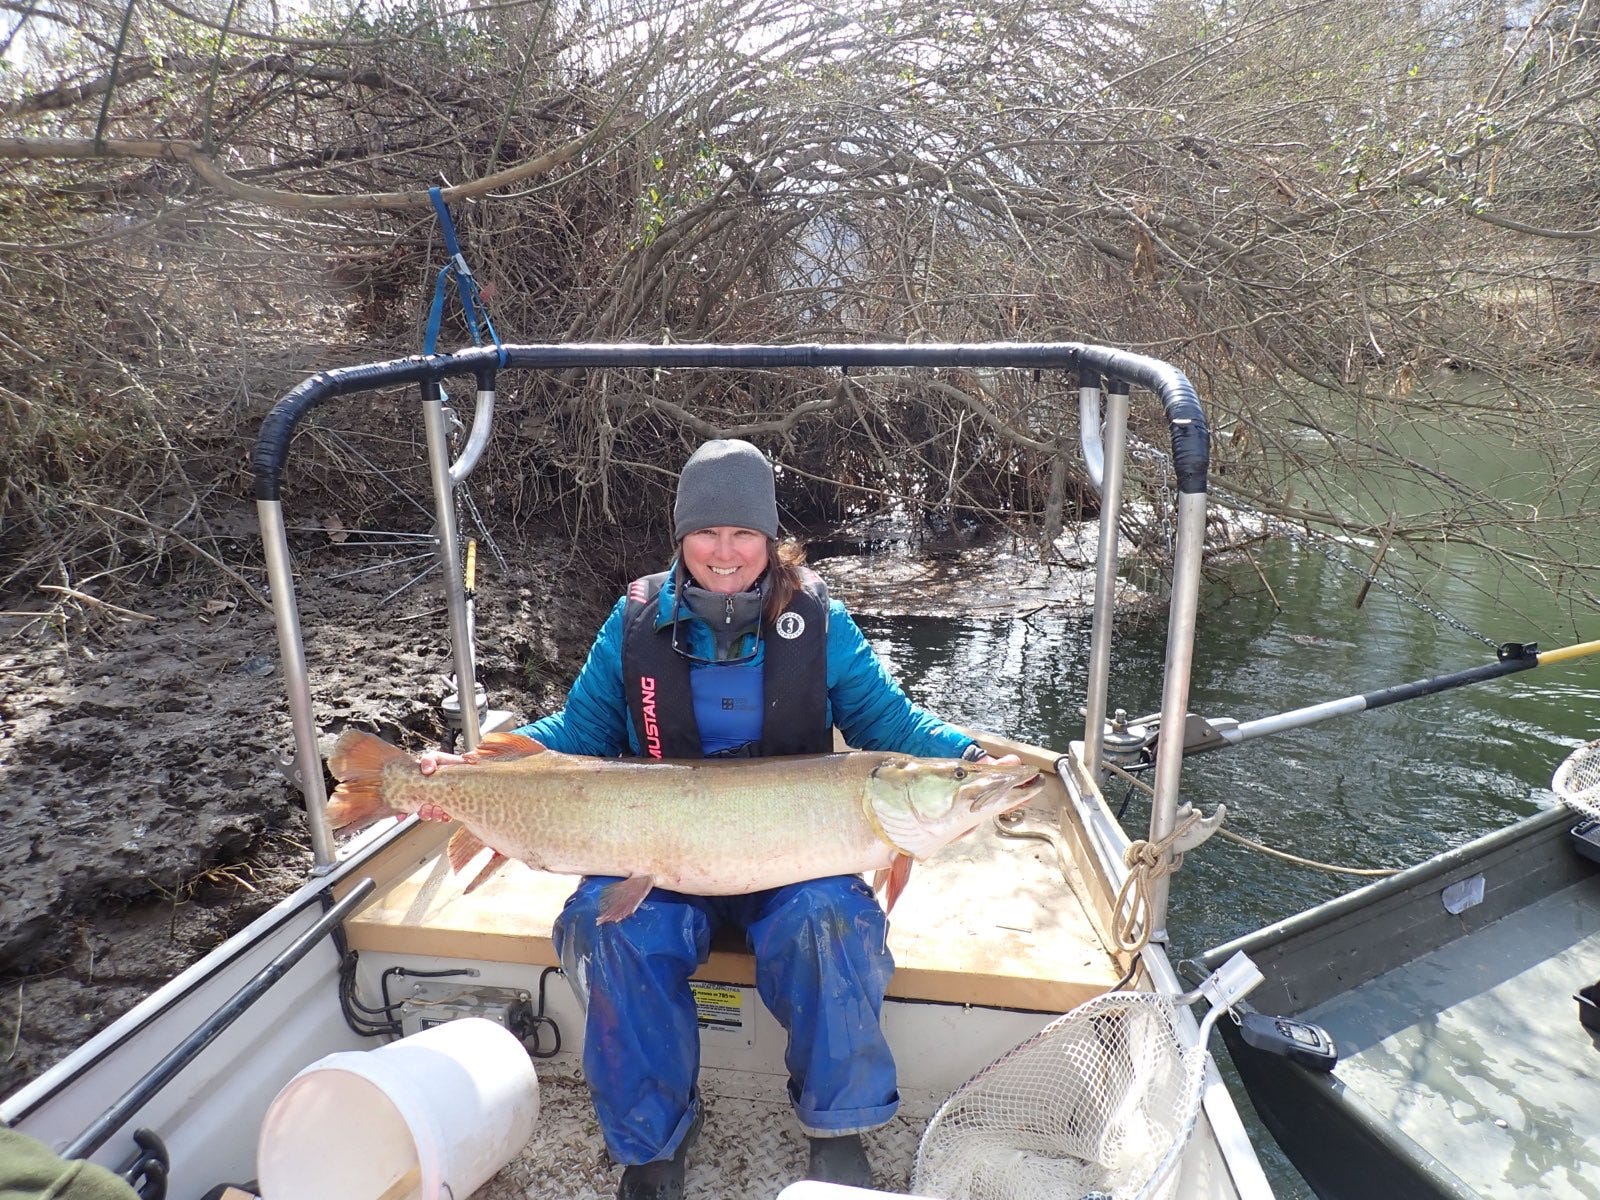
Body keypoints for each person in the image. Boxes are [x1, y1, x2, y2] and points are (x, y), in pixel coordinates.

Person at [422, 438, 1017, 1200]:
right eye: (707, 533)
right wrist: (479, 772)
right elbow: (578, 733)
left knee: (831, 919)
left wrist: (968, 756)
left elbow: (891, 722)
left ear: (772, 540)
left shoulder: (820, 622)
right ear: (681, 537)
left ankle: (836, 1125)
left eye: (745, 534)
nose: (726, 552)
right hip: (659, 853)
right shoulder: (635, 621)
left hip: (788, 865)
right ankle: (653, 1140)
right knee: (611, 932)